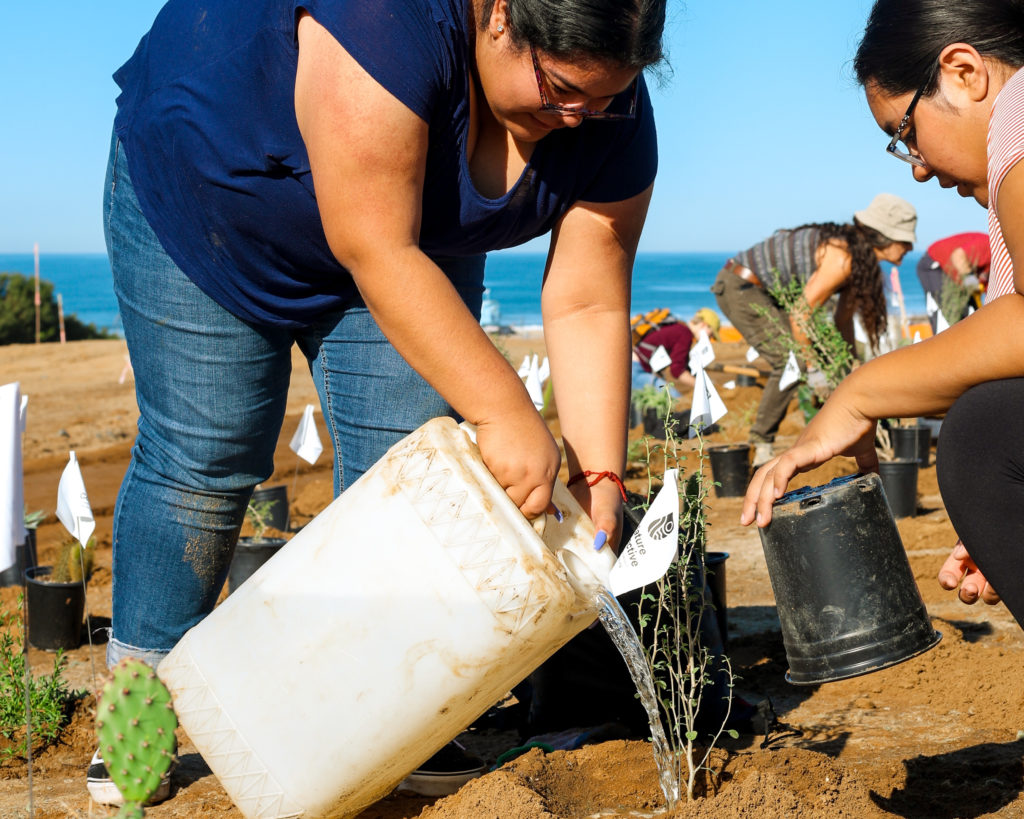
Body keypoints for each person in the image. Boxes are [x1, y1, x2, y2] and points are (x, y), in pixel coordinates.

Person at [93, 0, 666, 805]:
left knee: (406, 469)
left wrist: (601, 472)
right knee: (208, 453)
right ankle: (136, 714)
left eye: (607, 96)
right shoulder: (386, 18)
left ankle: (362, 720)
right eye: (562, 87)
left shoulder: (608, 112)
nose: (581, 117)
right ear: (499, 15)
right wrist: (506, 415)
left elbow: (588, 300)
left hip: (404, 238)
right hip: (215, 191)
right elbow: (372, 242)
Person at [744, 0, 1024, 631]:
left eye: (904, 134)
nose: (919, 169)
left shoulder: (1019, 115)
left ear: (963, 72)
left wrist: (858, 394)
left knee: (985, 434)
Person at [710, 194, 917, 465]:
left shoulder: (860, 261)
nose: (911, 248)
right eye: (906, 241)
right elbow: (800, 315)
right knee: (791, 362)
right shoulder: (842, 257)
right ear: (885, 237)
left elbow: (842, 321)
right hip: (742, 287)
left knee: (816, 353)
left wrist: (849, 364)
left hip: (767, 292)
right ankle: (761, 442)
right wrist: (816, 372)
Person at [632, 306, 721, 391]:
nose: (710, 338)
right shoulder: (685, 334)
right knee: (676, 401)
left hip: (634, 366)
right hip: (637, 370)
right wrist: (708, 388)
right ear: (703, 325)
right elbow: (677, 371)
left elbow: (682, 366)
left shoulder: (679, 327)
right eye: (712, 334)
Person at [916, 231, 991, 331]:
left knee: (971, 318)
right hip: (937, 264)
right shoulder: (989, 245)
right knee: (947, 320)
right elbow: (958, 257)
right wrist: (972, 283)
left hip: (960, 280)